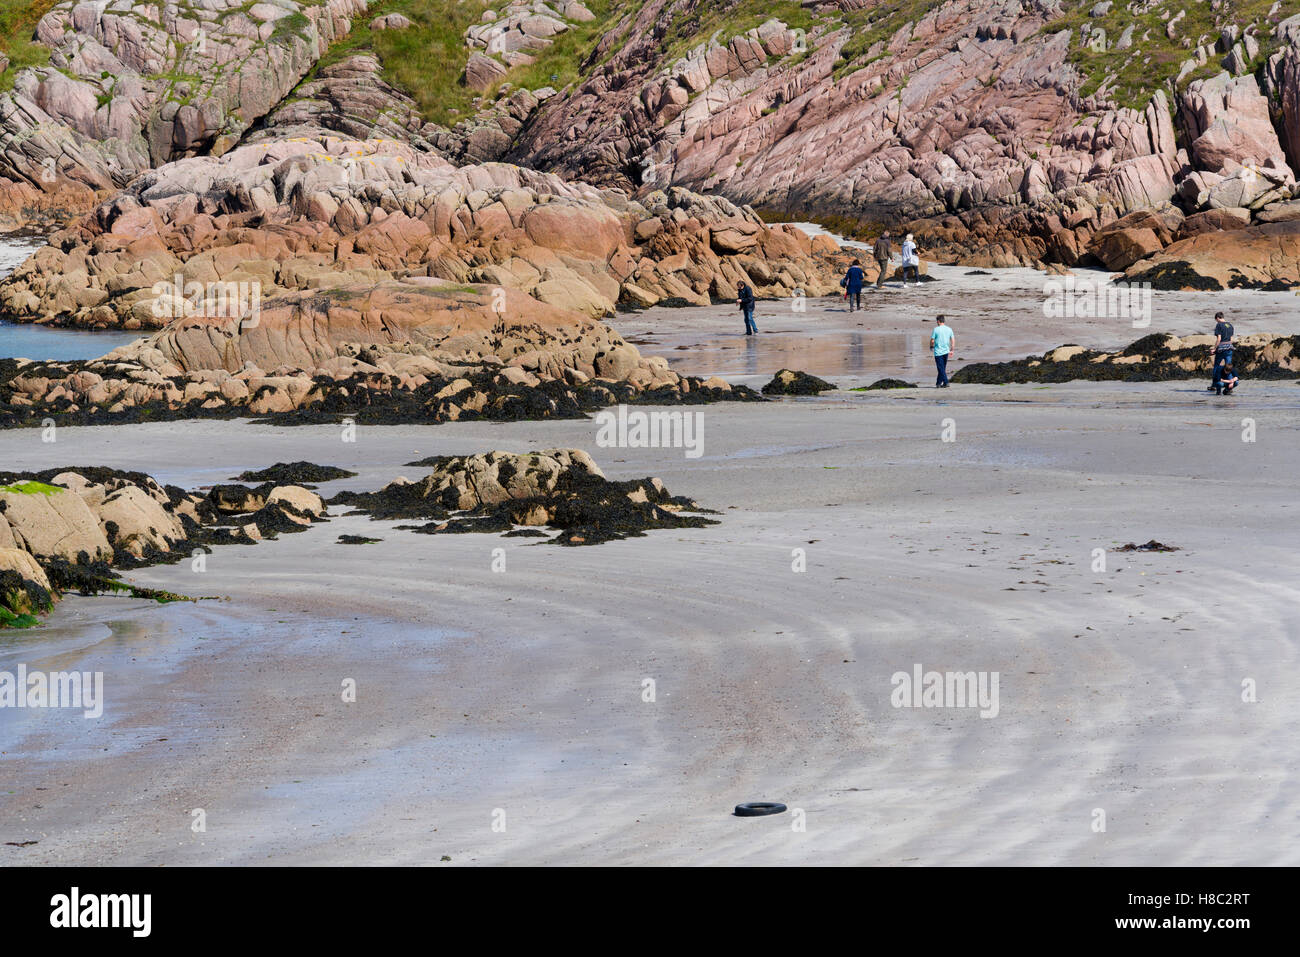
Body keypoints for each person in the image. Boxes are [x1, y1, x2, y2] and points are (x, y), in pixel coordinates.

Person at [1209, 311, 1234, 392]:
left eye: (1216, 320)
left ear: (1217, 318)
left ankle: (1214, 385)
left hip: (1221, 349)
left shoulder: (1219, 325)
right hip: (1229, 347)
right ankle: (1229, 387)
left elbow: (1219, 338)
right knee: (1228, 367)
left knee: (1216, 366)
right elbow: (1231, 339)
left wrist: (1214, 349)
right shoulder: (1230, 325)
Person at [931, 315, 954, 388]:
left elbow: (932, 340)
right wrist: (952, 349)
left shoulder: (936, 329)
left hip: (938, 352)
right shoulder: (949, 329)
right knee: (942, 368)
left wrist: (931, 346)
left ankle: (946, 382)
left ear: (938, 321)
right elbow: (952, 340)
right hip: (946, 351)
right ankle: (938, 383)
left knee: (941, 368)